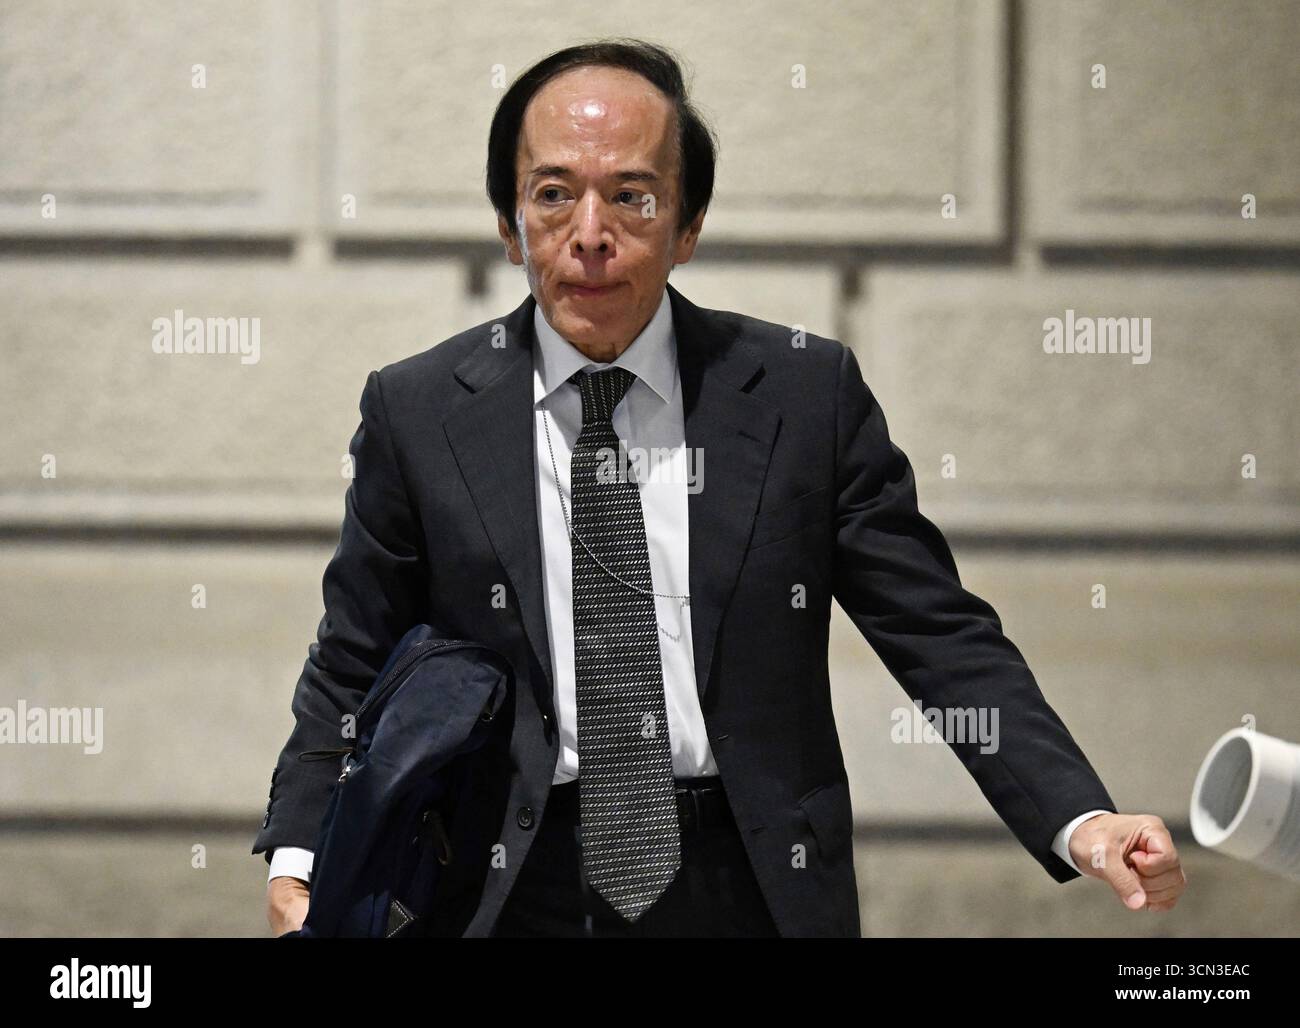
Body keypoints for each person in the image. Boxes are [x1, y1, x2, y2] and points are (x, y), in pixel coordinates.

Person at [256, 38, 1186, 937]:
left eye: (633, 197)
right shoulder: (420, 410)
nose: (590, 236)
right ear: (508, 224)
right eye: (552, 196)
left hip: (748, 878)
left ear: (689, 225)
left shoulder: (799, 396)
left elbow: (939, 633)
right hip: (496, 882)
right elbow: (352, 653)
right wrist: (300, 855)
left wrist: (1081, 819)